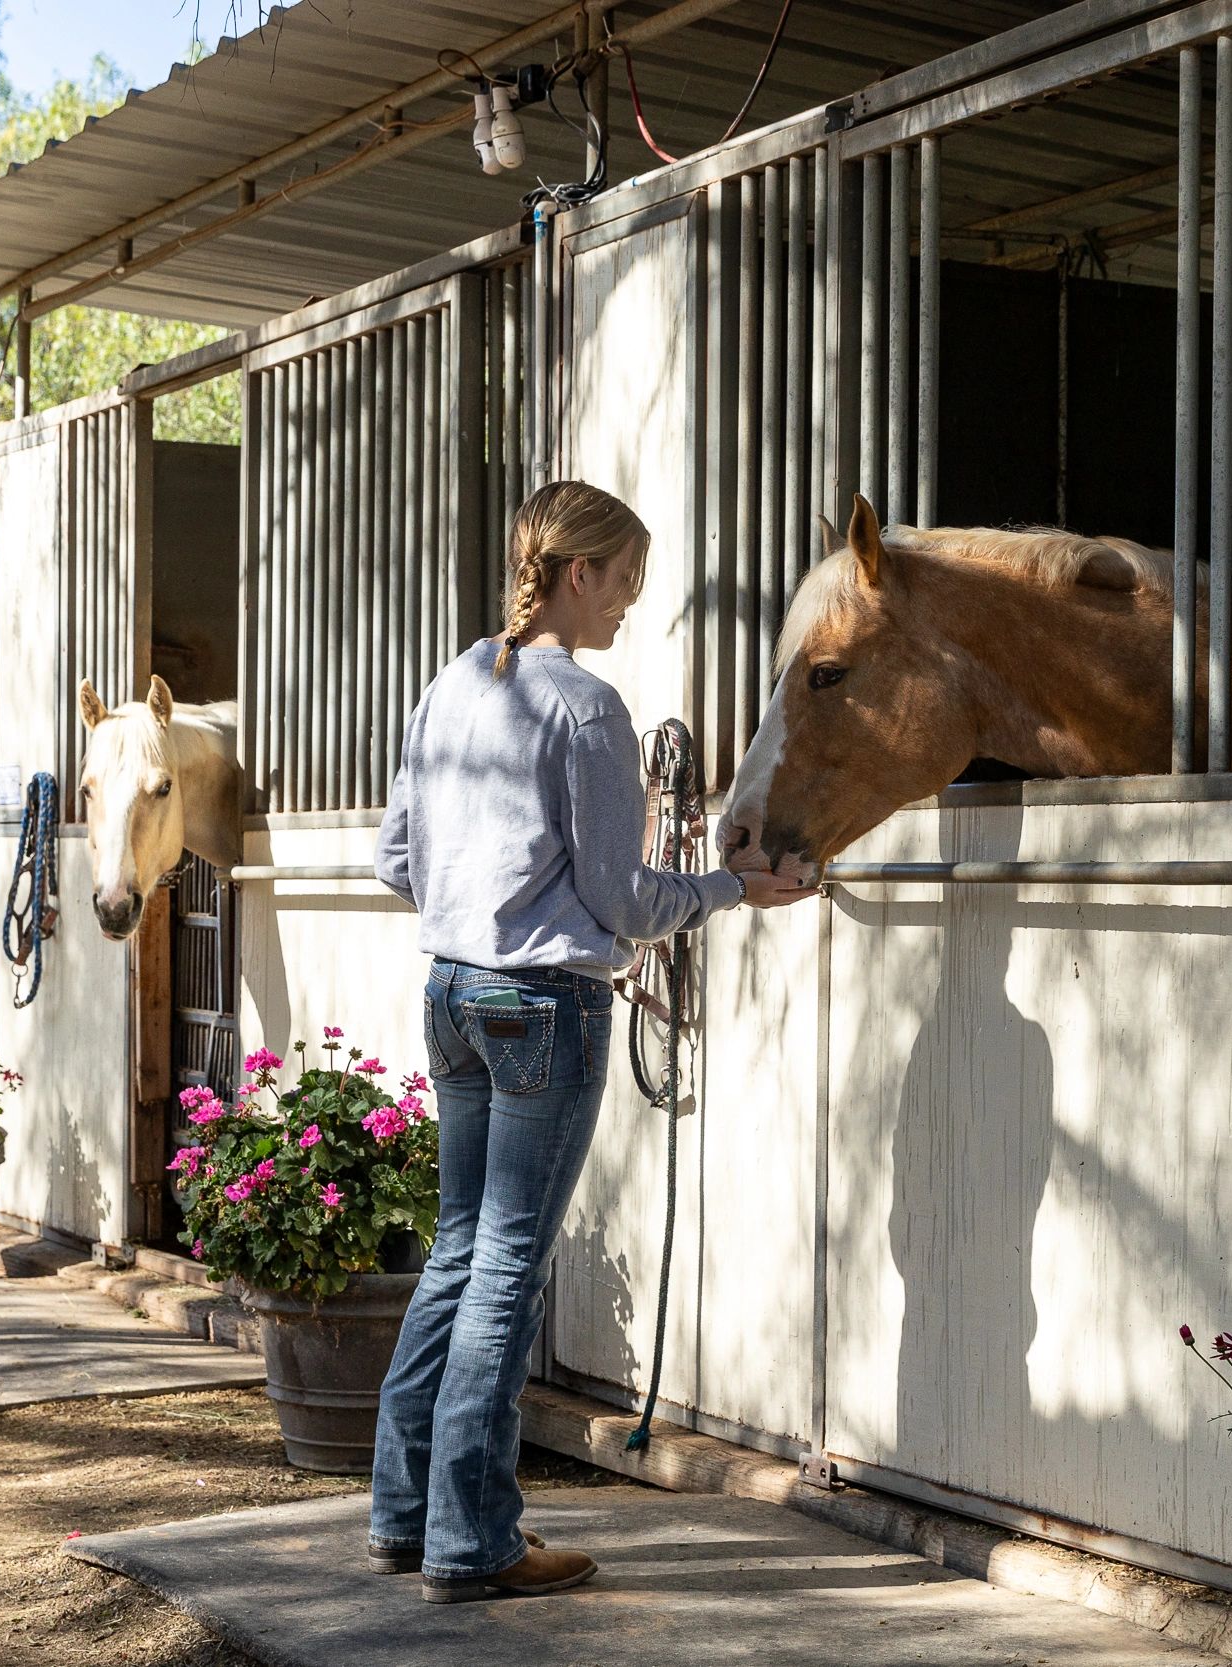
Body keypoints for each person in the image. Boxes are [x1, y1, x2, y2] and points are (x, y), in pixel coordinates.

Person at [367, 482, 815, 1602]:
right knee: (506, 1262)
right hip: (545, 1004)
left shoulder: (447, 686)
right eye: (624, 582)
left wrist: (477, 899)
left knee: (459, 1246)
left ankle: (403, 1510)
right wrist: (729, 886)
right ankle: (472, 1540)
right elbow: (620, 899)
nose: (630, 606)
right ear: (578, 573)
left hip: (454, 991)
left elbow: (391, 858)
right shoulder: (587, 707)